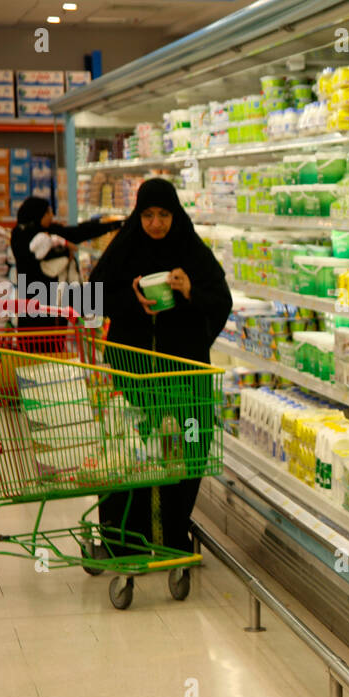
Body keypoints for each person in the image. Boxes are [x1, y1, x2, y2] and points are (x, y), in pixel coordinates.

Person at [89, 178, 231, 569]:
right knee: (127, 454)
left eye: (163, 215)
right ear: (139, 215)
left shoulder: (192, 251)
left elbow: (222, 302)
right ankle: (124, 541)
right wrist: (131, 301)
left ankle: (172, 532)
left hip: (183, 372)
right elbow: (92, 293)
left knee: (186, 449)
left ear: (175, 215)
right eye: (148, 215)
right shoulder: (124, 247)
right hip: (131, 370)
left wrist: (190, 293)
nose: (155, 223)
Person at [9, 197, 122, 316]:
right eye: (49, 212)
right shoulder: (29, 238)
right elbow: (38, 257)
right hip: (42, 304)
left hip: (42, 305)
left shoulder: (31, 233)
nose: (52, 216)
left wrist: (111, 225)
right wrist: (65, 252)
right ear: (39, 215)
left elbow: (77, 232)